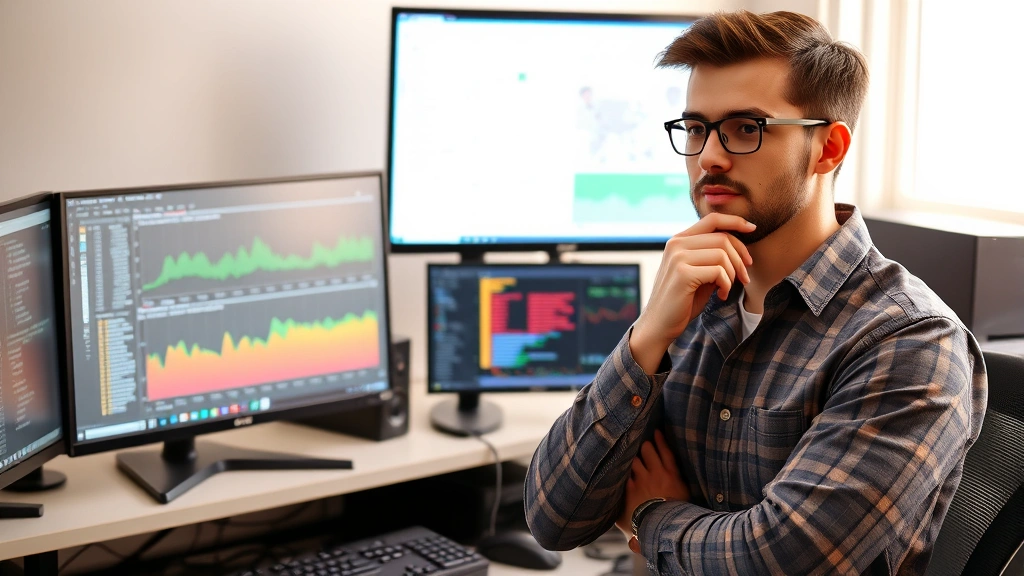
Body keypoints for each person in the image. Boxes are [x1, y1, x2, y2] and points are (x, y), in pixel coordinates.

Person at [524, 9, 987, 576]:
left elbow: (777, 561)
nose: (709, 157)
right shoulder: (690, 302)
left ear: (828, 148)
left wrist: (650, 516)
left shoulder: (910, 342)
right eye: (696, 129)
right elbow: (553, 519)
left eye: (747, 128)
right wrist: (647, 337)